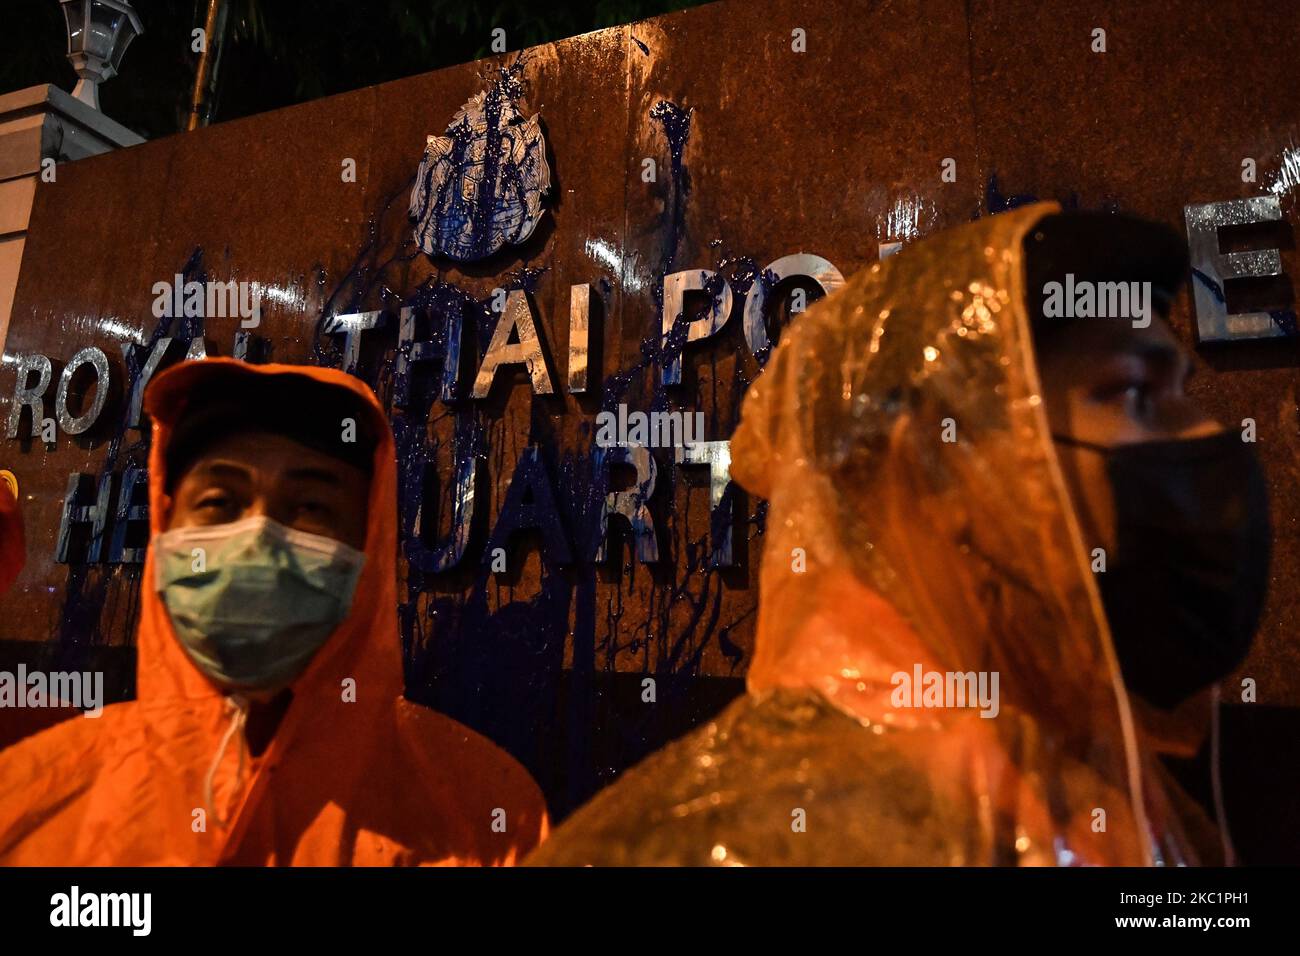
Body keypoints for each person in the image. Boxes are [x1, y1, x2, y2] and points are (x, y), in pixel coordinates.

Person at [527, 203, 1270, 866]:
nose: (1204, 437)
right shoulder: (711, 842)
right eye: (1133, 395)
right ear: (933, 461)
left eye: (1184, 394)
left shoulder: (1098, 793)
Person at [0, 358, 548, 865]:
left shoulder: (488, 817)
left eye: (310, 507)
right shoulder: (31, 795)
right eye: (219, 502)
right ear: (168, 525)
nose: (258, 540)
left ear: (367, 543)